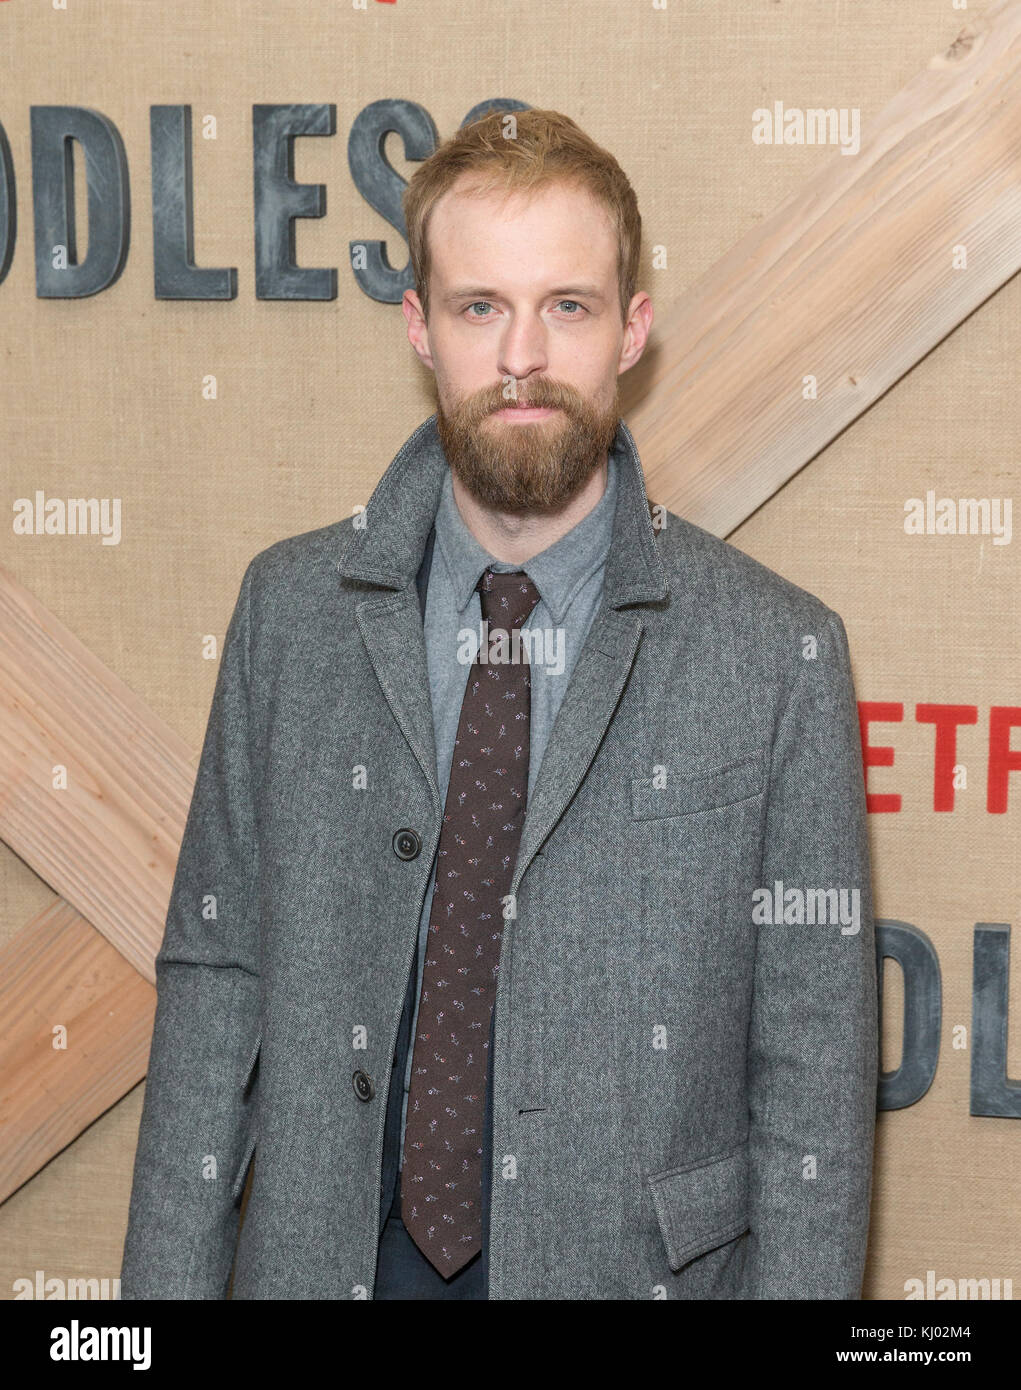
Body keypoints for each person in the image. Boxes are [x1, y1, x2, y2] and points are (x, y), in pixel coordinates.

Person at [120, 108, 877, 1301]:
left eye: (566, 306)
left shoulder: (777, 653)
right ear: (420, 326)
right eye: (481, 307)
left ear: (631, 330)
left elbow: (815, 1078)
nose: (522, 355)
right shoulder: (289, 612)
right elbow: (218, 983)